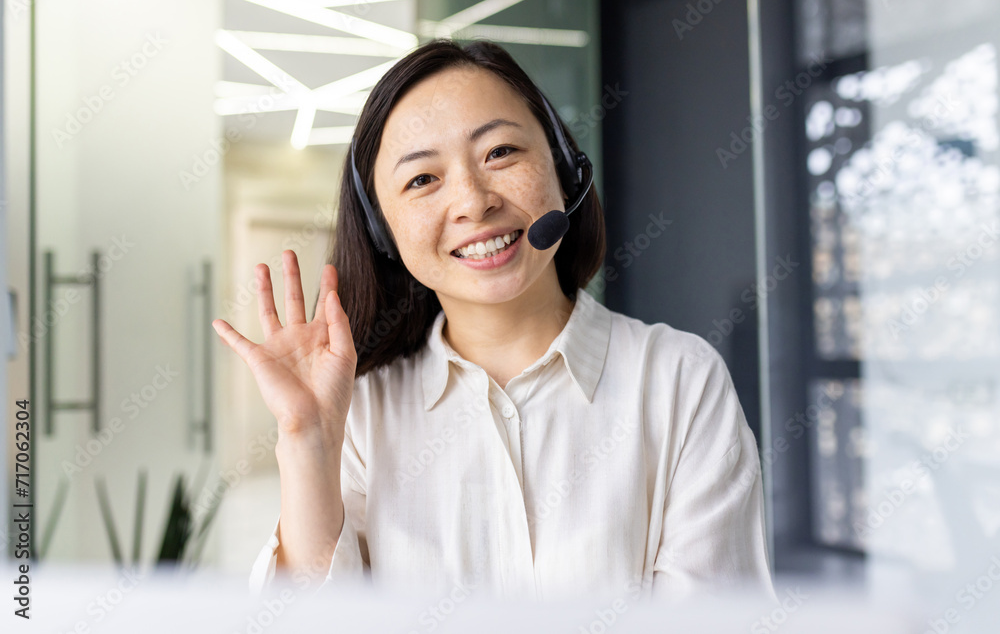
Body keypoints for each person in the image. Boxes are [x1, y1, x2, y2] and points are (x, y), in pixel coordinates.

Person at [212, 38, 776, 605]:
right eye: (422, 179)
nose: (473, 202)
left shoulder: (679, 381)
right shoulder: (361, 414)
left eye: (500, 152)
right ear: (383, 231)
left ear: (563, 168)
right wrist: (309, 442)